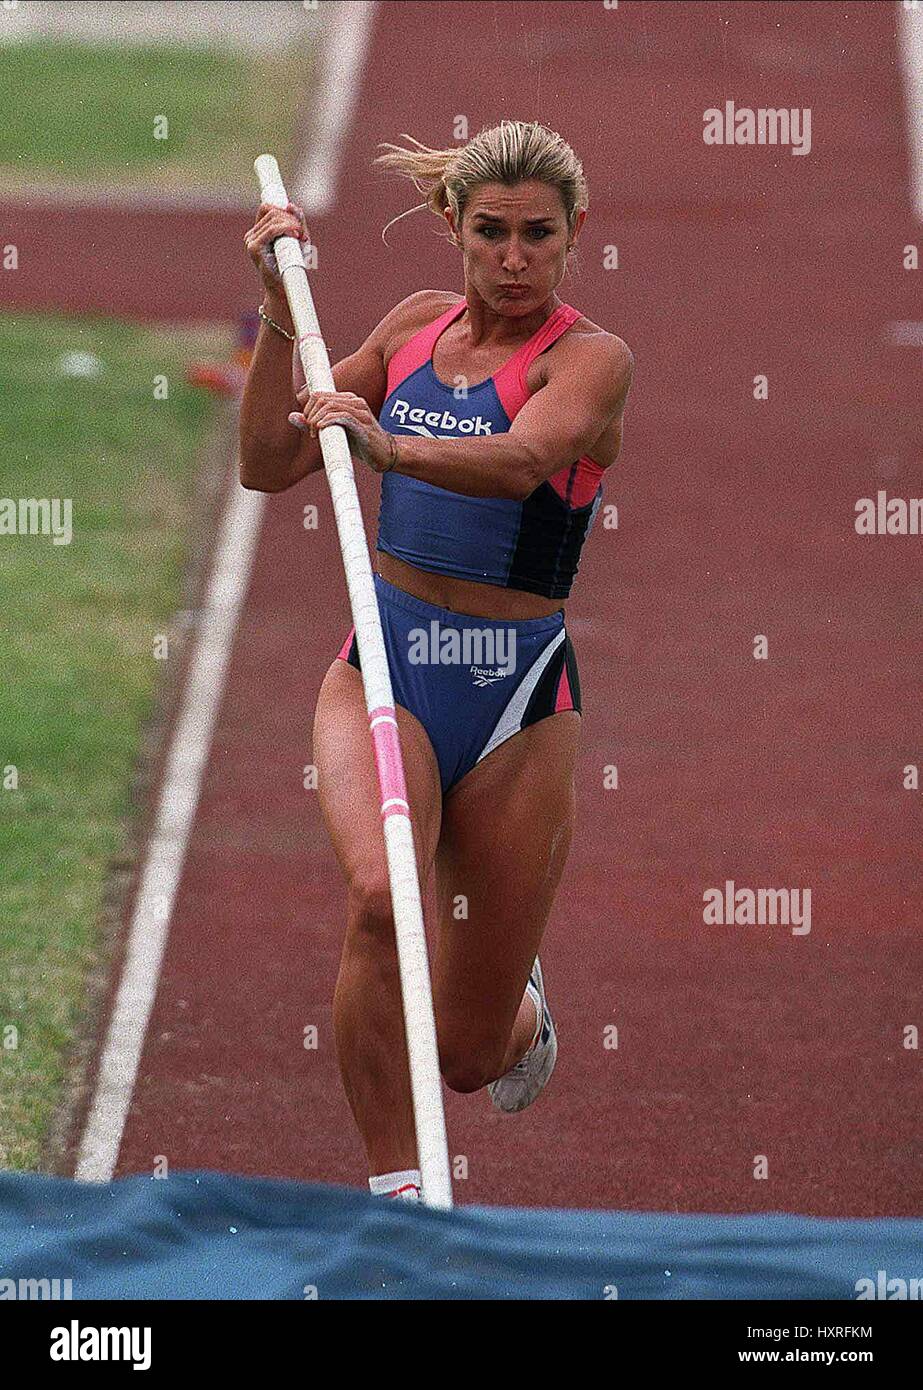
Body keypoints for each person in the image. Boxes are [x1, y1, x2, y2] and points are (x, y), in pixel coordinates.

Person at [240, 120, 633, 1202]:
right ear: (453, 225)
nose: (514, 259)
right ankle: (394, 1194)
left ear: (573, 234)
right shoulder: (411, 328)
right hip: (388, 667)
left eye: (538, 237)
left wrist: (389, 445)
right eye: (493, 232)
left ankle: (520, 1010)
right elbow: (267, 461)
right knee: (381, 897)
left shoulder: (590, 359)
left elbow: (521, 462)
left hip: (516, 698)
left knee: (465, 1056)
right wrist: (281, 311)